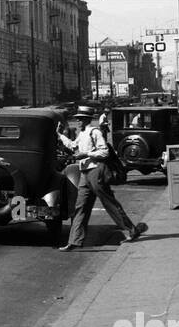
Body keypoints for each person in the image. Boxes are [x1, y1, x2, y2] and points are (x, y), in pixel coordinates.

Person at [57, 107, 147, 251]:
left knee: (108, 202)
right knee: (80, 207)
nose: (78, 120)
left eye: (80, 118)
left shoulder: (95, 131)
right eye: (77, 118)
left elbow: (104, 152)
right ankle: (74, 241)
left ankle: (131, 229)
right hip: (85, 173)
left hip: (96, 171)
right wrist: (60, 135)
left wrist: (86, 154)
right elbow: (73, 146)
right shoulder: (83, 133)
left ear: (87, 119)